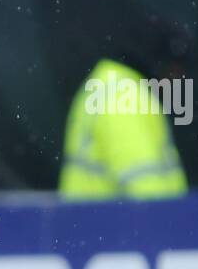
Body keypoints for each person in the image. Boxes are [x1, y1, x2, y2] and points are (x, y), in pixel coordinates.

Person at [58, 27, 189, 199]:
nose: (178, 81)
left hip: (93, 221)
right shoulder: (125, 96)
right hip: (113, 224)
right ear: (160, 64)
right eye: (176, 72)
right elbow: (147, 189)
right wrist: (178, 221)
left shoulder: (110, 85)